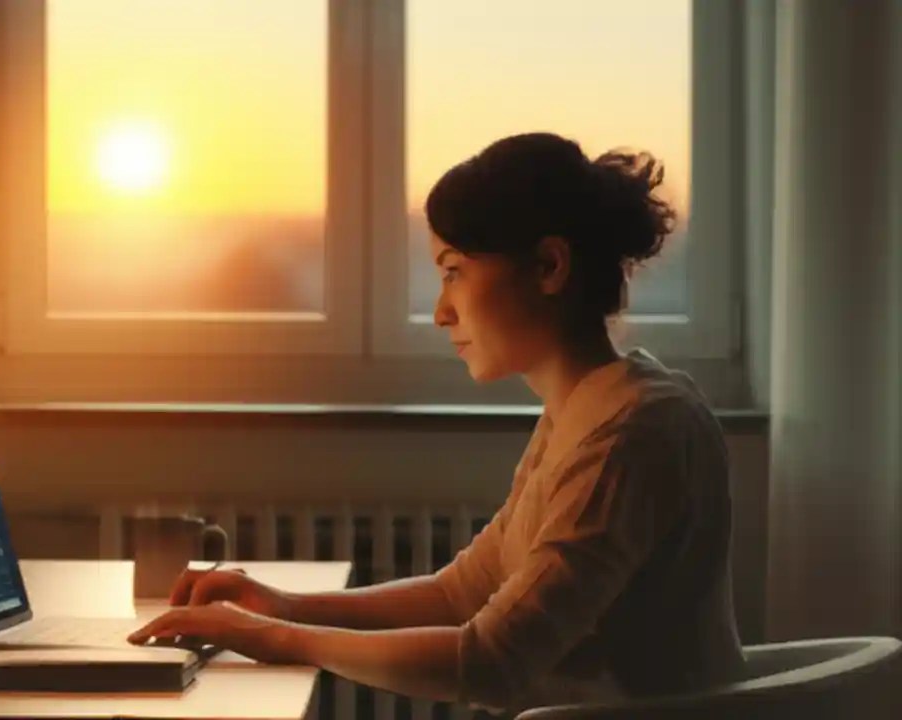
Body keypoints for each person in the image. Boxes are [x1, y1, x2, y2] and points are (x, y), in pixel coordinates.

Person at [128, 132, 746, 715]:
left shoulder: (632, 433)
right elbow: (461, 593)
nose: (442, 310)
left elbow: (490, 663)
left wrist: (274, 637)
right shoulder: (586, 410)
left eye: (454, 272)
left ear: (549, 266)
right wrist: (283, 606)